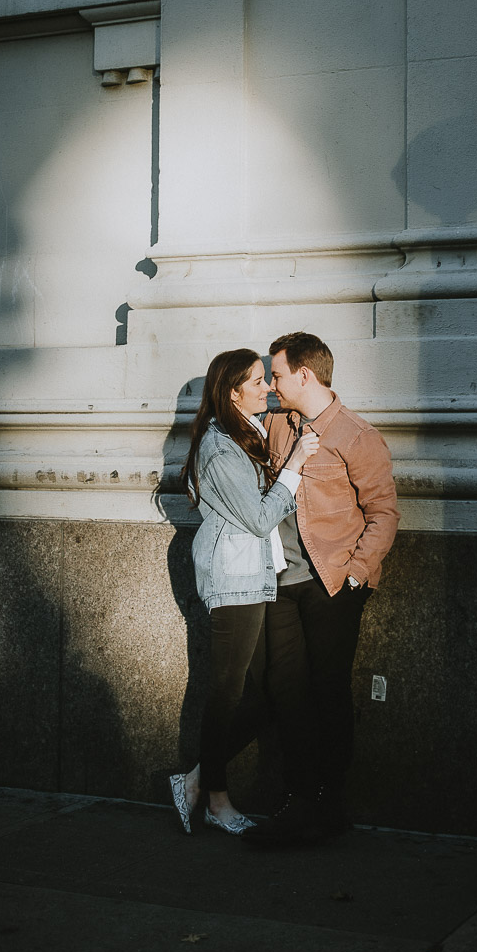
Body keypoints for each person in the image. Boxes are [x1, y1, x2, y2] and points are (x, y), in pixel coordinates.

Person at [241, 331, 399, 845]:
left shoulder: (356, 435)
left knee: (329, 690)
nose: (271, 385)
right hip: (280, 580)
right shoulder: (276, 425)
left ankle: (330, 802)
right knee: (285, 689)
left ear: (305, 374)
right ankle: (298, 799)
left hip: (332, 584)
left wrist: (355, 574)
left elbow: (383, 513)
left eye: (277, 374)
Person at [169, 348, 319, 836]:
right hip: (234, 578)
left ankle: (195, 780)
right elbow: (257, 518)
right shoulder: (219, 447)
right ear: (233, 393)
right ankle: (216, 800)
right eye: (258, 381)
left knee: (261, 694)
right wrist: (296, 464)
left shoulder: (245, 433)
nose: (268, 388)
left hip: (254, 575)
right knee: (227, 693)